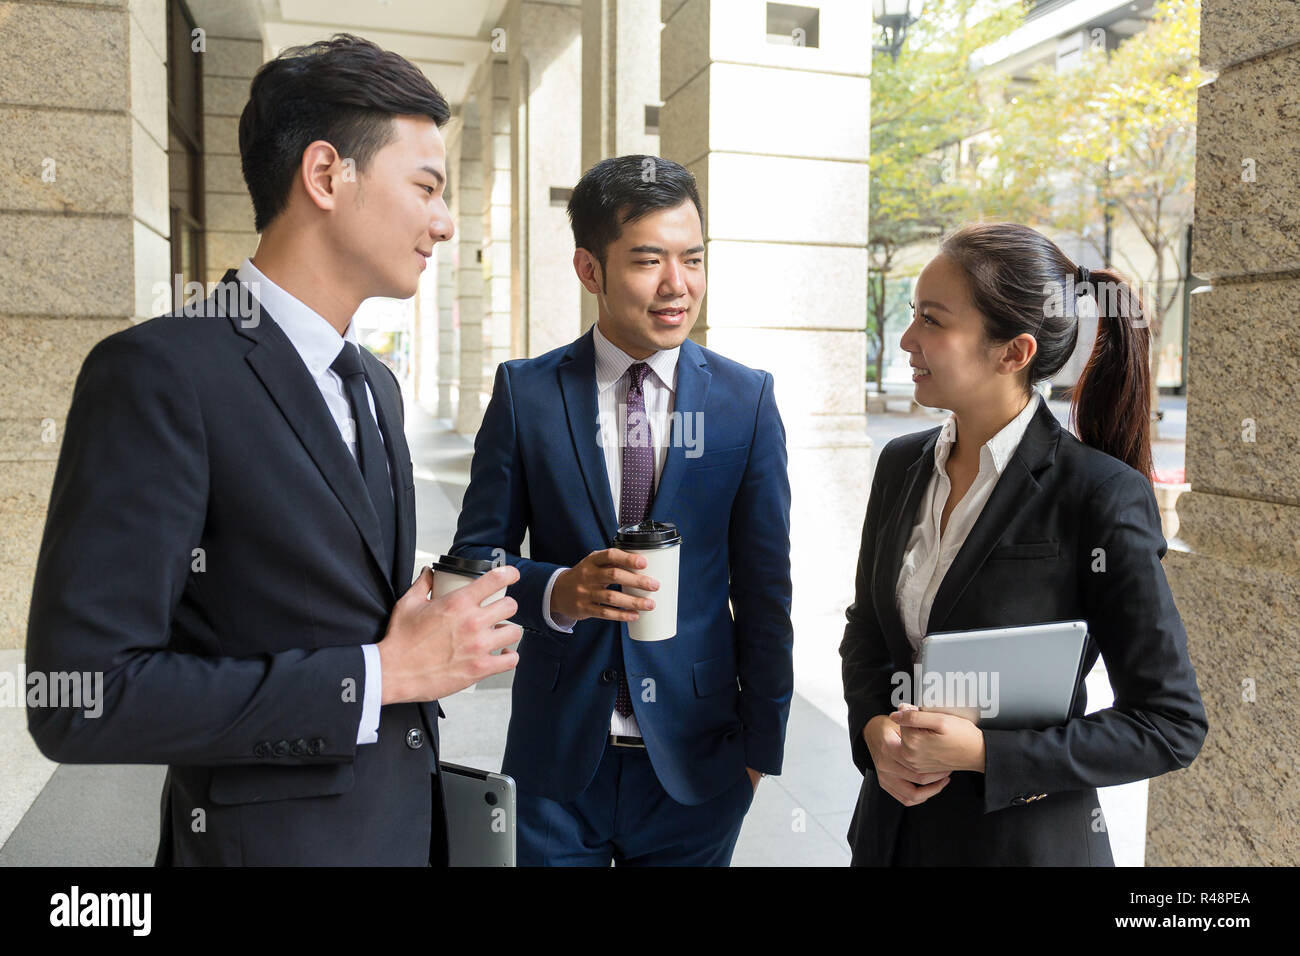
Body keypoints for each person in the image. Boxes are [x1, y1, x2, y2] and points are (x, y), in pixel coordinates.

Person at [25, 34, 521, 866]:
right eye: (426, 187)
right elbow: (81, 698)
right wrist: (380, 675)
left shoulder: (374, 383)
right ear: (327, 176)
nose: (443, 222)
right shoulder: (159, 373)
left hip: (404, 830)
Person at [449, 155, 793, 866]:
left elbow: (766, 592)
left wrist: (758, 756)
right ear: (590, 270)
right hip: (556, 765)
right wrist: (558, 590)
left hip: (696, 771)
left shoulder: (745, 401)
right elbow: (473, 563)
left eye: (692, 259)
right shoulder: (527, 394)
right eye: (648, 261)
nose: (678, 285)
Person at [839, 221, 1207, 865]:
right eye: (912, 314)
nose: (906, 340)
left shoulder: (1099, 493)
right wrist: (873, 729)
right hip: (891, 836)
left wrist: (984, 754)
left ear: (1014, 352)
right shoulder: (900, 464)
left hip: (1018, 846)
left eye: (932, 320)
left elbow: (1169, 724)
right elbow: (867, 629)